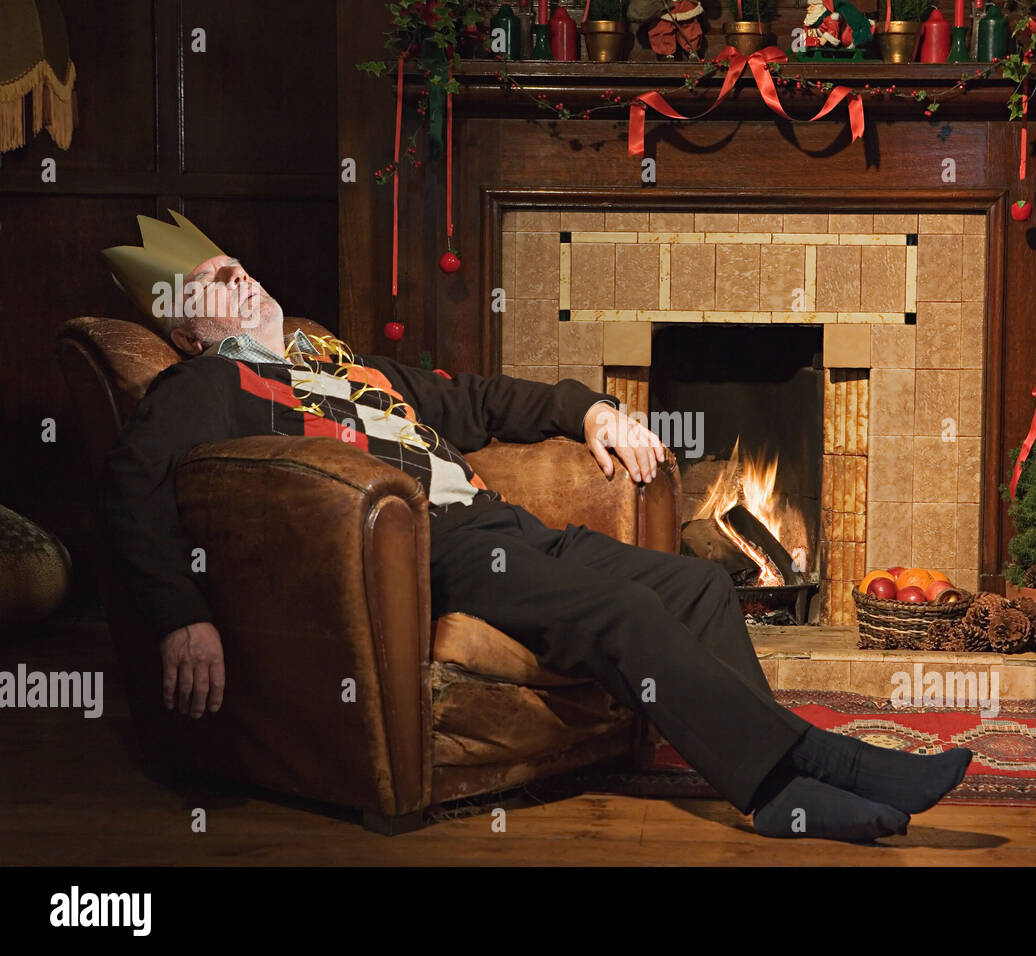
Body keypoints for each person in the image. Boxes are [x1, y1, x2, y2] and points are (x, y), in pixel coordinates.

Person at [100, 211, 972, 843]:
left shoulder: (344, 365)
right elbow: (133, 490)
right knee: (624, 616)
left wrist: (591, 410)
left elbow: (482, 400)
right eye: (217, 280)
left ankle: (782, 786)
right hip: (430, 549)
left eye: (238, 262)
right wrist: (181, 611)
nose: (242, 276)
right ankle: (816, 771)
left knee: (700, 583)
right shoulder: (204, 389)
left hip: (504, 527)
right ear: (183, 325)